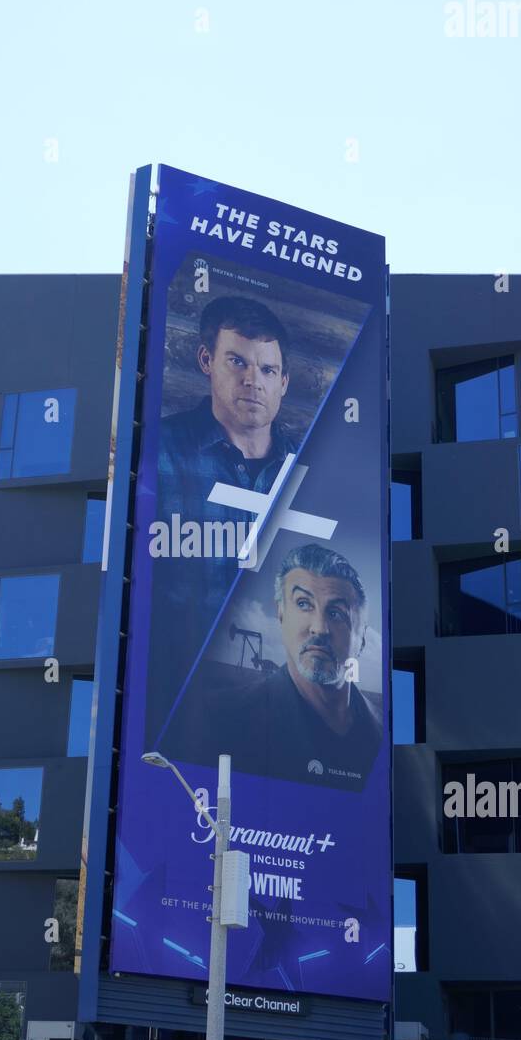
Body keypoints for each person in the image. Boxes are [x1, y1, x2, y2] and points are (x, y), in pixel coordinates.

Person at [148, 296, 297, 737]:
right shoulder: (158, 452)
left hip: (275, 723)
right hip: (171, 711)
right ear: (206, 361)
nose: (254, 381)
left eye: (268, 370)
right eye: (238, 362)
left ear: (285, 382)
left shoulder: (310, 471)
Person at [163, 543, 383, 791]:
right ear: (281, 615)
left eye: (336, 613)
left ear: (362, 638)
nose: (319, 627)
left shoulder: (388, 738)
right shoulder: (217, 720)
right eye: (303, 604)